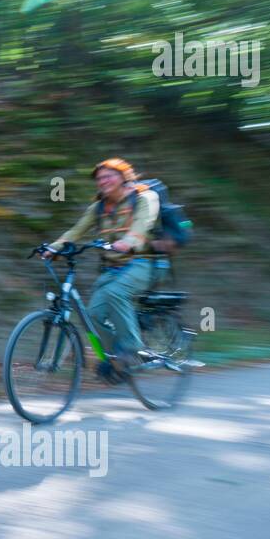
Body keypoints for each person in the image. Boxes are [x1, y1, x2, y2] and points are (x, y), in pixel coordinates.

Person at [45, 157, 167, 383]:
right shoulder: (98, 207)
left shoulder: (145, 197)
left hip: (144, 262)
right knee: (93, 315)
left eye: (108, 176)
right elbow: (76, 231)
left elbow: (143, 224)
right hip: (113, 268)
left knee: (116, 293)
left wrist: (129, 241)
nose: (102, 181)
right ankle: (116, 359)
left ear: (124, 177)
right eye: (99, 178)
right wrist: (54, 247)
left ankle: (132, 350)